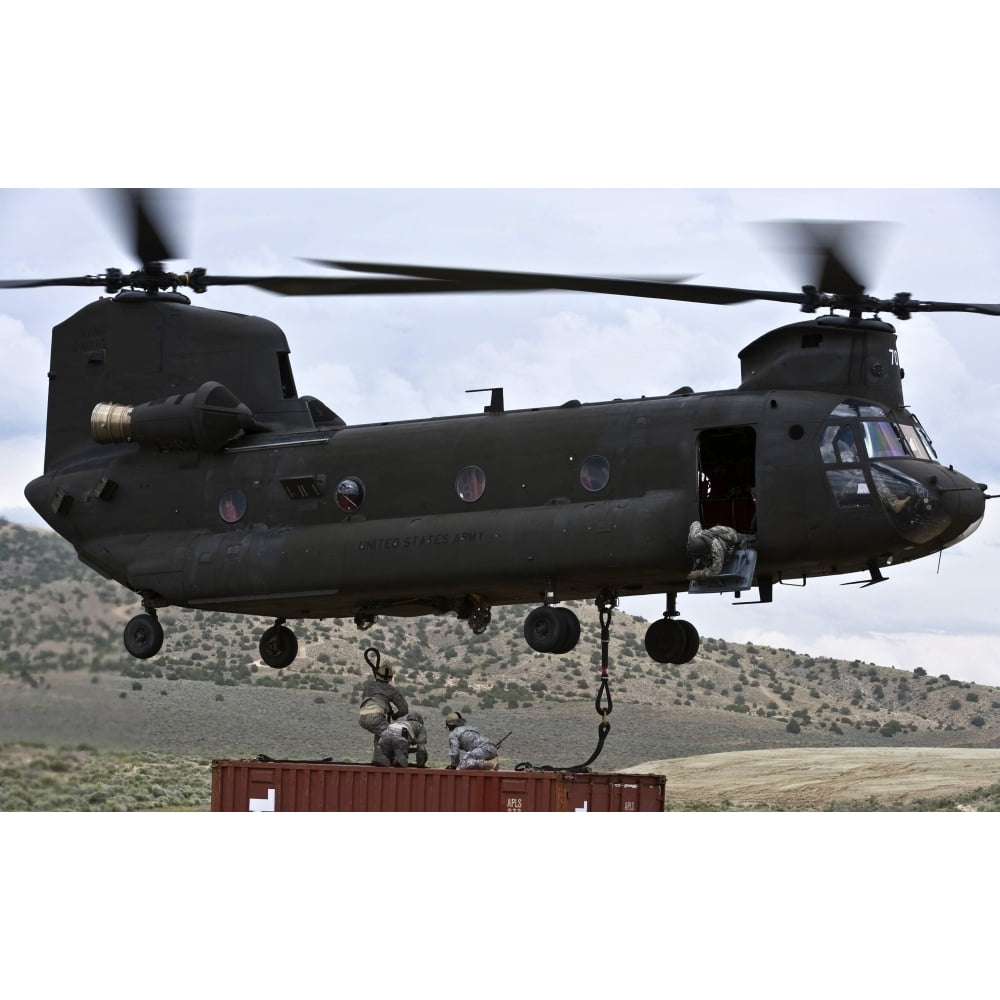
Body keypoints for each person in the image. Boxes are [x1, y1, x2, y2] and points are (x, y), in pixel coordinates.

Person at [358, 648, 409, 765]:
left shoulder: (369, 685)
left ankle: (379, 757)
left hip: (363, 718)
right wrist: (395, 715)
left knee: (381, 733)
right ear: (390, 678)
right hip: (376, 717)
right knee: (394, 735)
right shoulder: (391, 690)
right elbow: (404, 709)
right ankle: (396, 758)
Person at [686, 520, 752, 580]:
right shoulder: (694, 536)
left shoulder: (717, 549)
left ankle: (745, 536)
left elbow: (715, 571)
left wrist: (699, 574)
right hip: (715, 531)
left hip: (729, 534)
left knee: (737, 538)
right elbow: (695, 523)